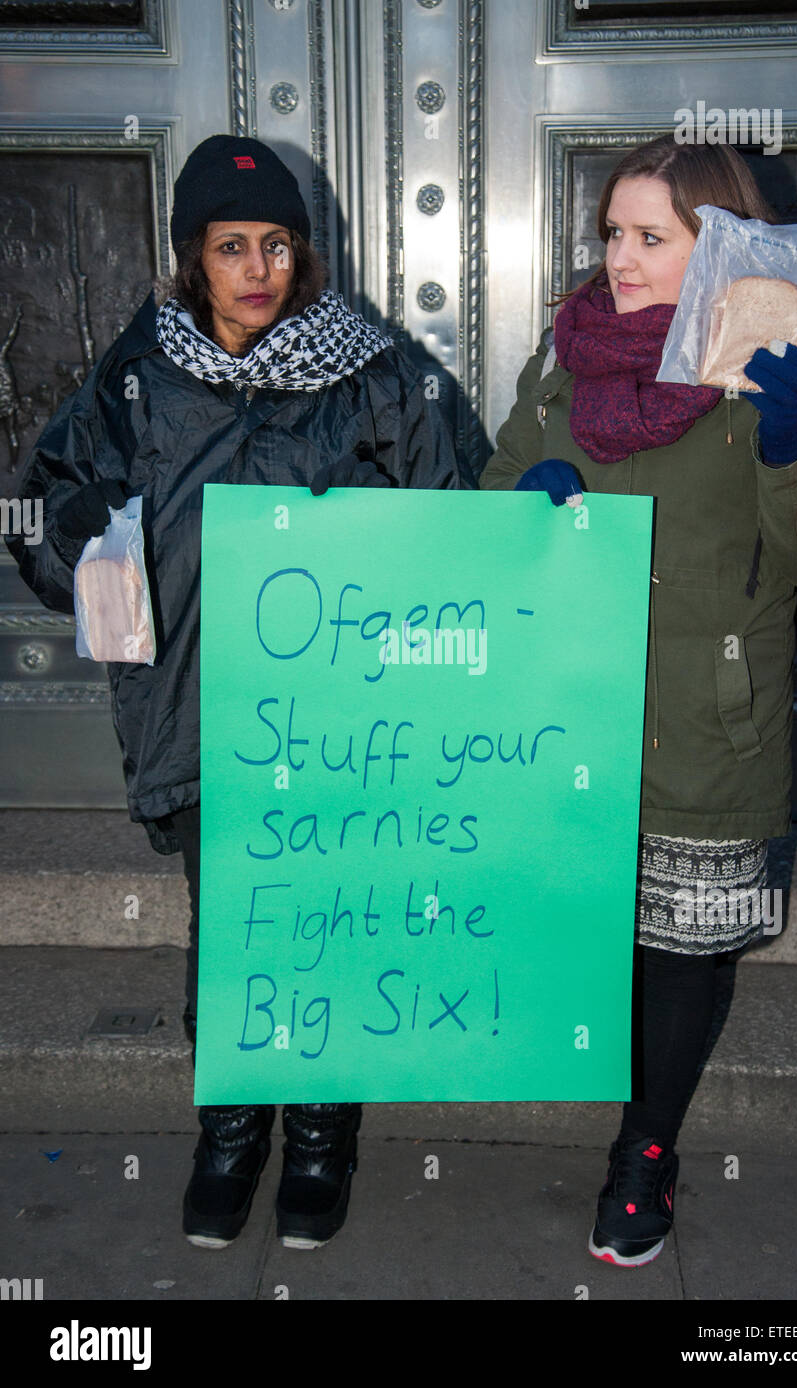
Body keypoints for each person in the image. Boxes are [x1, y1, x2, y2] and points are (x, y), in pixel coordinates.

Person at [6, 133, 467, 1252]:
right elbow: (49, 497)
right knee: (235, 928)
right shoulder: (138, 374)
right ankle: (229, 1130)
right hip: (204, 709)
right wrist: (90, 552)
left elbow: (457, 513)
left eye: (276, 245)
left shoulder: (375, 369)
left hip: (342, 720)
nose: (257, 267)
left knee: (332, 923)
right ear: (189, 257)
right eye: (229, 247)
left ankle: (318, 1133)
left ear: (303, 255)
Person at [480, 134, 797, 1267]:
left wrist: (789, 441)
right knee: (596, 931)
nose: (623, 258)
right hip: (573, 709)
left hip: (705, 718)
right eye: (612, 234)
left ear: (718, 245)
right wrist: (526, 494)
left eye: (653, 236)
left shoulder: (761, 366)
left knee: (680, 956)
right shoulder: (559, 362)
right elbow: (495, 489)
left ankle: (645, 1152)